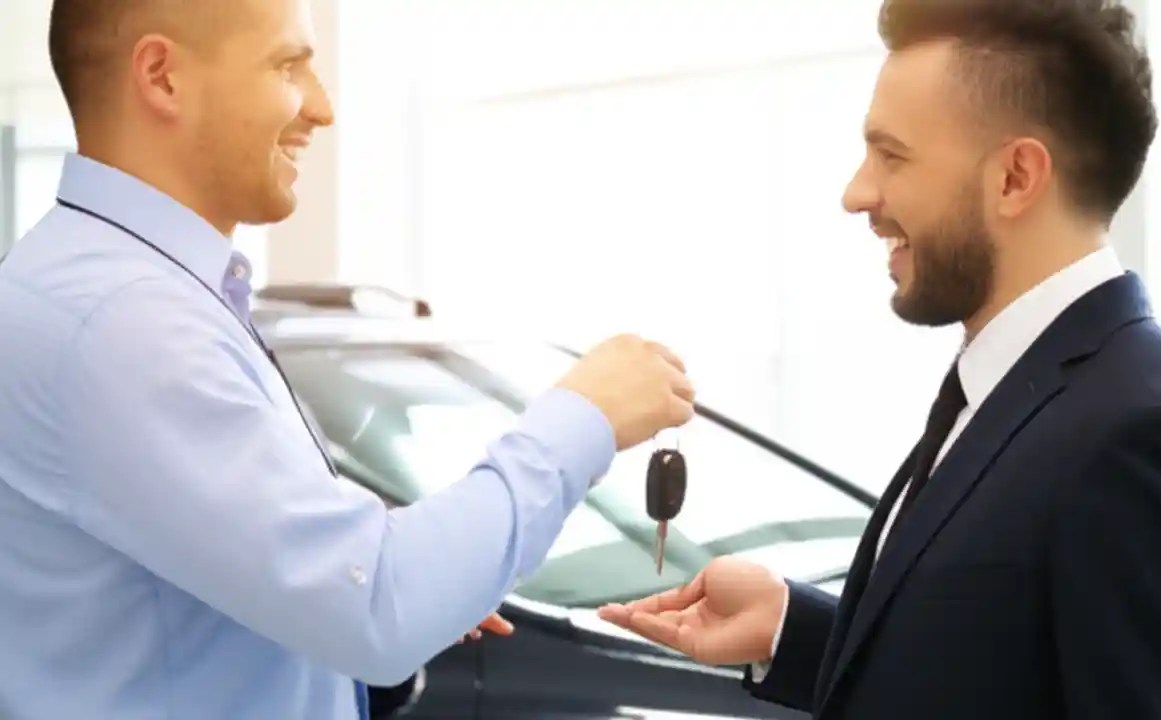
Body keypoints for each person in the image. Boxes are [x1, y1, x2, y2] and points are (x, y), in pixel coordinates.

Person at [0, 1, 694, 718]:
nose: (322, 109)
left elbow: (256, 585)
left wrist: (396, 594)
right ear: (162, 76)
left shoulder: (90, 288)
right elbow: (378, 606)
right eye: (287, 65)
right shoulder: (125, 321)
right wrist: (586, 415)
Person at [599, 1, 1161, 718]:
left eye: (892, 156)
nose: (857, 193)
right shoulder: (1016, 388)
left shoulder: (1146, 439)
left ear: (1016, 177)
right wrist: (793, 628)